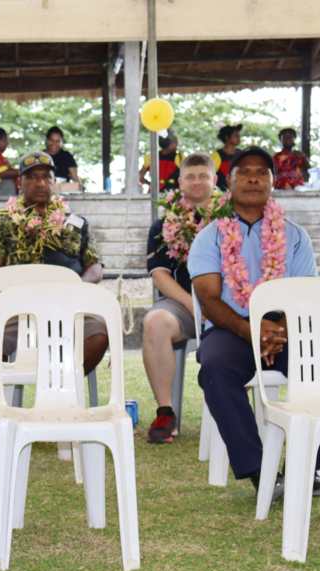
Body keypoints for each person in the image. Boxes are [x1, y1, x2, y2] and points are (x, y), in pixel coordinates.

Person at [188, 146, 320, 503]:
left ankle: (307, 467)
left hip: (287, 326)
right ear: (228, 182)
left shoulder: (294, 236)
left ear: (273, 182)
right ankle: (262, 472)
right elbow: (209, 300)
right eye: (243, 171)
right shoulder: (210, 236)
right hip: (231, 329)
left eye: (261, 172)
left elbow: (305, 294)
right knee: (214, 368)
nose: (252, 178)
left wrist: (275, 332)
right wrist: (251, 331)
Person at [0, 151, 108, 376]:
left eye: (47, 177)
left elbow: (95, 267)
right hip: (17, 310)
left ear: (54, 182)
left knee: (98, 334)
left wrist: (77, 286)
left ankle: (64, 388)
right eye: (31, 177)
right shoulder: (2, 223)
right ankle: (0, 404)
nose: (40, 182)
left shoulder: (75, 223)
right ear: (19, 182)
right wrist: (15, 291)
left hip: (70, 308)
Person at [142, 152, 221, 443]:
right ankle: (166, 412)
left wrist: (215, 306)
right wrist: (194, 304)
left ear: (215, 180)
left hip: (230, 302)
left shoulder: (231, 219)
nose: (197, 182)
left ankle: (231, 408)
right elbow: (160, 275)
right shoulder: (163, 224)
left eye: (203, 176)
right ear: (180, 182)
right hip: (182, 304)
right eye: (191, 176)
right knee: (155, 321)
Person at [210, 124, 243, 191]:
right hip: (221, 195)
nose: (239, 137)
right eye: (236, 135)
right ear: (227, 137)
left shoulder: (242, 154)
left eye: (239, 135)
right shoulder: (217, 155)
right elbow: (209, 174)